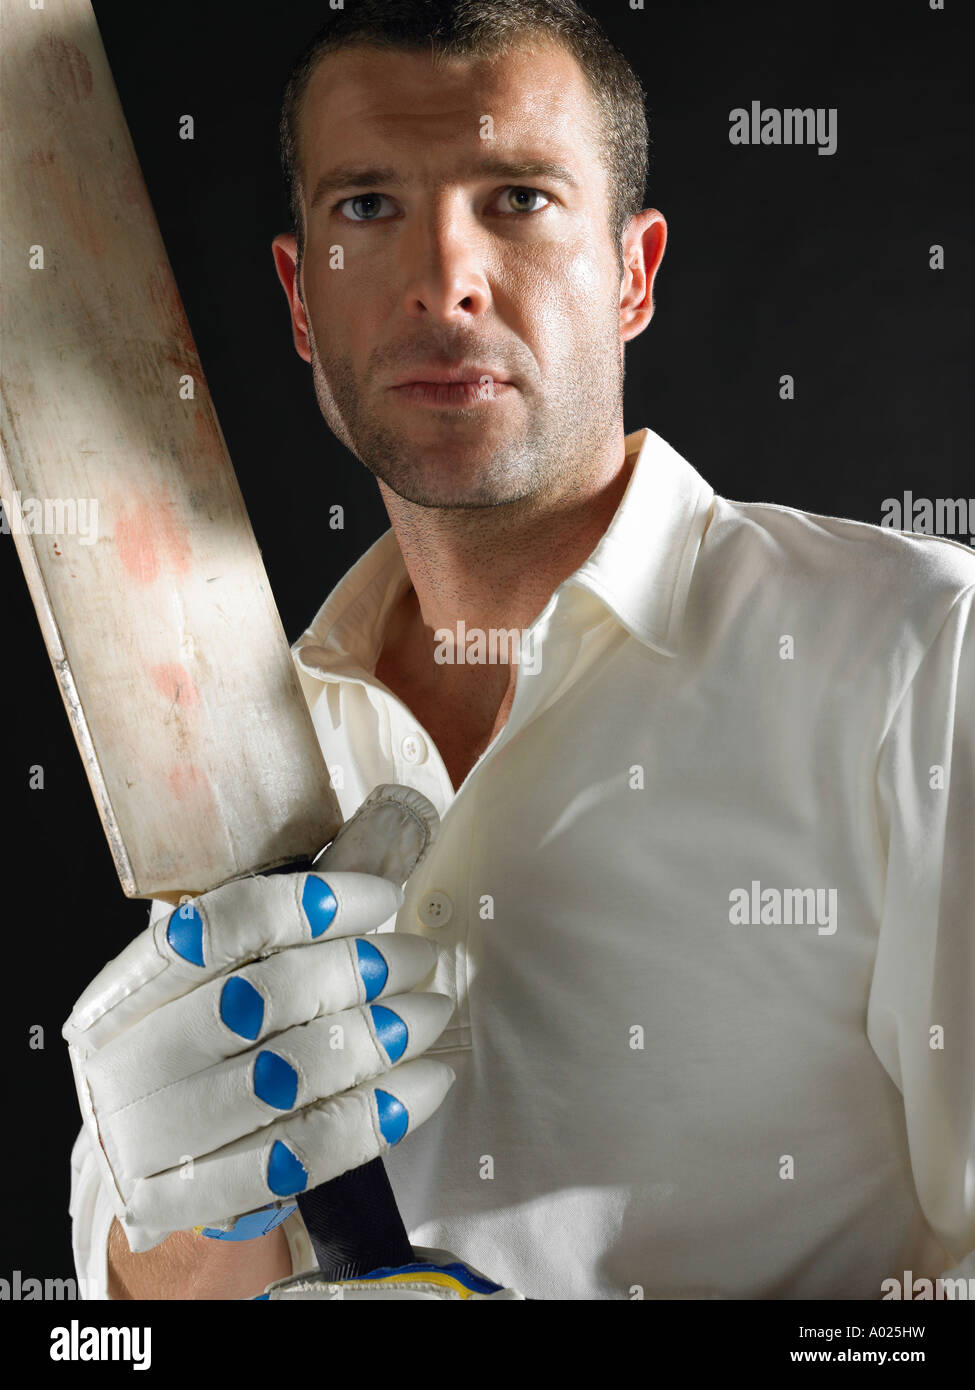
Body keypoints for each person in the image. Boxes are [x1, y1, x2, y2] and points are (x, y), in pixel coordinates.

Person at [67, 0, 975, 1301]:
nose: (447, 276)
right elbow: (185, 1295)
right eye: (368, 207)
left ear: (632, 272)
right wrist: (164, 1228)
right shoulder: (237, 738)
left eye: (518, 198)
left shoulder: (921, 653)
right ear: (301, 298)